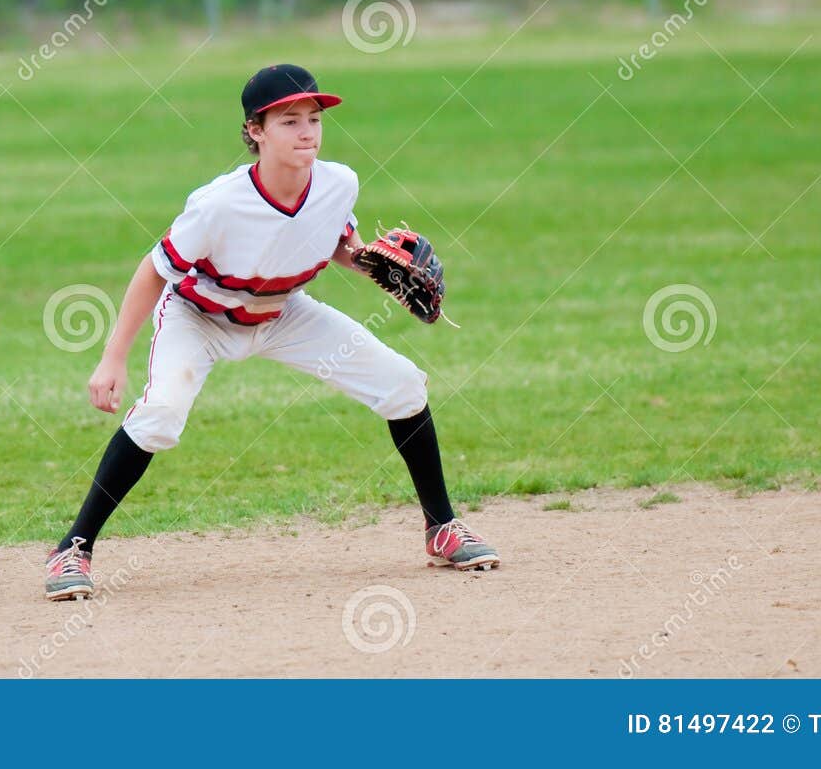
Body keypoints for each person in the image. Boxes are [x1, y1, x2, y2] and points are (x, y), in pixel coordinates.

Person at [45, 63, 498, 600]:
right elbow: (153, 270)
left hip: (285, 312)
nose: (307, 131)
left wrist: (370, 263)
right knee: (161, 417)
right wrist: (112, 356)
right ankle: (73, 549)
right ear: (255, 131)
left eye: (313, 118)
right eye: (289, 121)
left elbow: (334, 242)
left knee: (402, 384)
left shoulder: (338, 182)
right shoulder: (217, 204)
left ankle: (442, 527)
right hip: (201, 317)